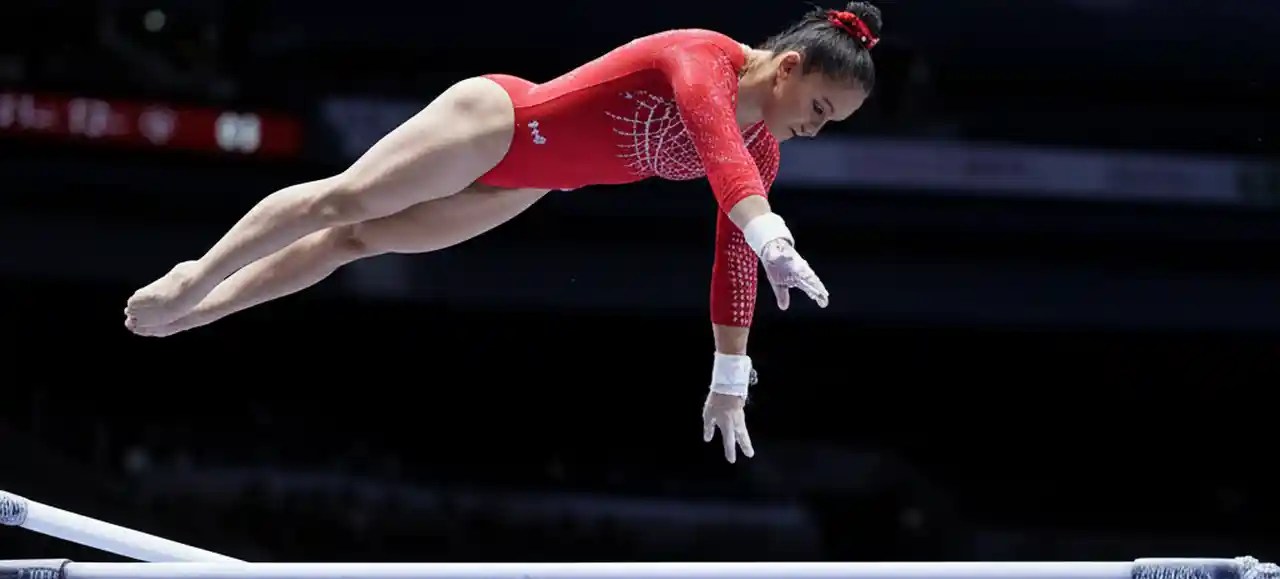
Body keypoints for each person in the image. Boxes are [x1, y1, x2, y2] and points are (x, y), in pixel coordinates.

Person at [123, 2, 884, 464]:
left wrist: (729, 379)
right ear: (788, 68)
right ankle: (197, 272)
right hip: (497, 123)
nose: (815, 131)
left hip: (529, 181)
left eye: (830, 124)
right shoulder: (704, 60)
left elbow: (731, 254)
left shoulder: (764, 149)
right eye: (819, 109)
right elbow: (718, 157)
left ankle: (201, 312)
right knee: (343, 202)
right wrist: (774, 235)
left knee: (358, 241)